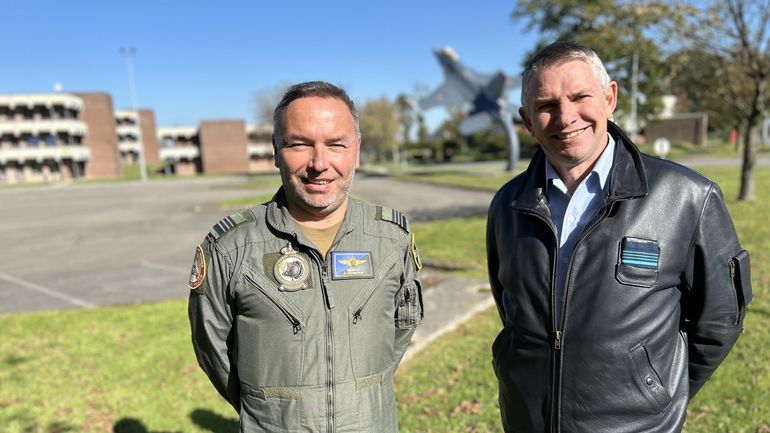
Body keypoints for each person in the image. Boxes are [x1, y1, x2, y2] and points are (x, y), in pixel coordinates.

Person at [486, 41, 752, 433]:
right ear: (527, 120)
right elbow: (508, 305)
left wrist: (657, 394)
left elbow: (719, 320)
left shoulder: (686, 197)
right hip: (527, 420)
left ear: (609, 98)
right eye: (546, 105)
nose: (565, 117)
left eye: (580, 97)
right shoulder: (508, 206)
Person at [188, 81, 423, 433]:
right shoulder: (231, 247)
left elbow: (402, 329)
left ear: (357, 151)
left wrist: (360, 394)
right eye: (299, 144)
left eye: (336, 144)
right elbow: (213, 349)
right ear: (276, 150)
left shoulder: (391, 238)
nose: (319, 164)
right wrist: (271, 409)